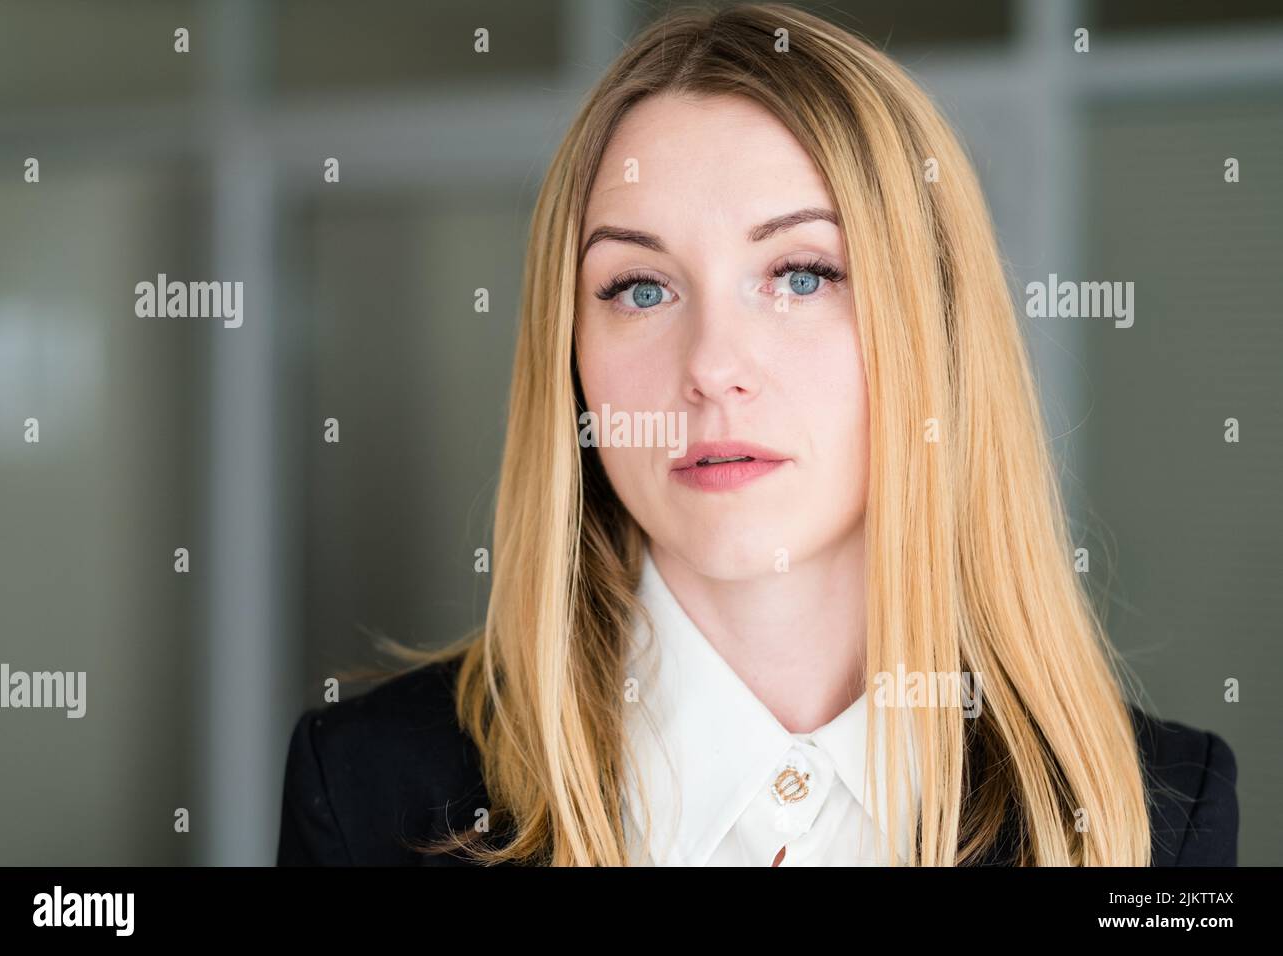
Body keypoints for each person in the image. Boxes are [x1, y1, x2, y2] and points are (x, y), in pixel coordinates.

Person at [277, 2, 1238, 867]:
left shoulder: (1153, 816)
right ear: (569, 357)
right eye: (640, 289)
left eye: (801, 274)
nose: (711, 364)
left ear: (932, 332)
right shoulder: (367, 795)